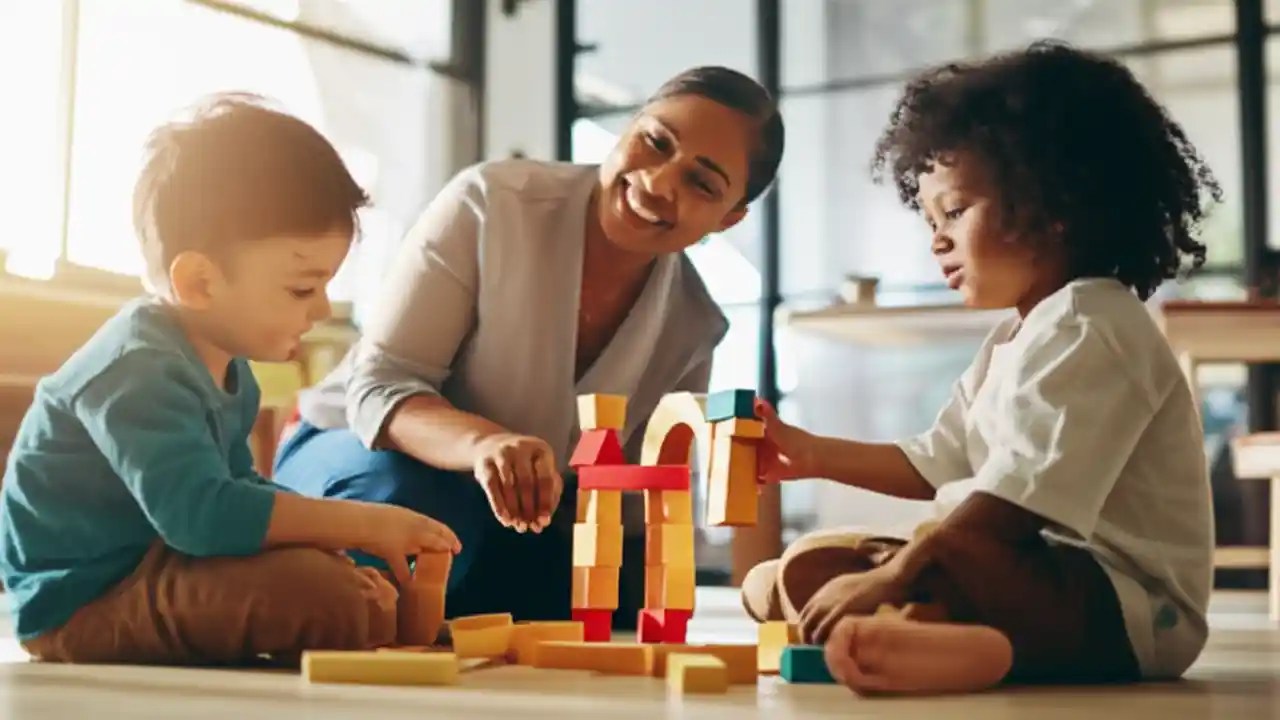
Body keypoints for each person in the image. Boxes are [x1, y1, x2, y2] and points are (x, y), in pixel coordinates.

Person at [742, 40, 1219, 695]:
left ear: (1054, 207)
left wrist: (896, 568)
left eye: (956, 212)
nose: (935, 239)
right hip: (1026, 572)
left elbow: (1011, 506)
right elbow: (939, 461)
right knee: (808, 566)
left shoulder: (1093, 323)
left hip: (1126, 609)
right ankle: (932, 633)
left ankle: (950, 637)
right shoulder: (1014, 337)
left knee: (932, 552)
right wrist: (811, 453)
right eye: (931, 218)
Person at [272, 66, 785, 626]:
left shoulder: (693, 324)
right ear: (628, 127)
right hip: (359, 452)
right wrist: (485, 445)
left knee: (598, 593)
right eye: (655, 141)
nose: (658, 183)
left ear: (729, 217)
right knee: (418, 516)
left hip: (508, 516)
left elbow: (634, 505)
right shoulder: (491, 202)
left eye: (702, 183)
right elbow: (379, 385)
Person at [0, 94, 460, 665]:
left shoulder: (226, 365)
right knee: (330, 600)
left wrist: (330, 543)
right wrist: (362, 524)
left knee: (341, 583)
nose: (319, 310)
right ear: (199, 282)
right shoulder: (135, 372)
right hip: (85, 597)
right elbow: (203, 517)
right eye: (301, 288)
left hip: (162, 557)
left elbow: (240, 488)